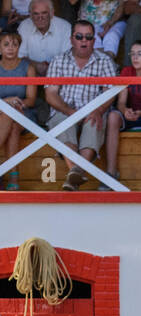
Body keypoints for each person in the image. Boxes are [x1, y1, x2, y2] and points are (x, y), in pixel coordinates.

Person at [44, 19, 114, 190]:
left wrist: (99, 109)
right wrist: (70, 111)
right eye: (79, 36)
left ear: (94, 41)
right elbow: (50, 94)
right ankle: (77, 173)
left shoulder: (104, 61)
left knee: (94, 123)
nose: (84, 40)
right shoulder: (58, 60)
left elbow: (110, 93)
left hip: (92, 111)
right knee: (62, 123)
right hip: (64, 111)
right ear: (71, 39)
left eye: (88, 37)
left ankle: (74, 174)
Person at [103, 38, 141, 187]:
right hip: (130, 114)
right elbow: (121, 102)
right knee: (113, 116)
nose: (135, 57)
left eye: (140, 54)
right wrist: (125, 111)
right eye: (132, 53)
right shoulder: (127, 71)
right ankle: (111, 172)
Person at [0, 27, 35, 189]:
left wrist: (15, 104)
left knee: (12, 114)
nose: (10, 48)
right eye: (6, 44)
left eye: (14, 44)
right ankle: (13, 180)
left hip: (23, 112)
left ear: (19, 47)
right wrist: (6, 102)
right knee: (12, 124)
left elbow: (31, 99)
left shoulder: (28, 67)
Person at [18, 0, 69, 76]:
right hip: (30, 75)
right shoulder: (24, 26)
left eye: (44, 13)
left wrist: (50, 68)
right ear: (30, 15)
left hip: (58, 74)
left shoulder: (65, 27)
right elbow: (19, 56)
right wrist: (36, 65)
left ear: (52, 14)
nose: (40, 17)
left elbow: (67, 58)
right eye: (36, 14)